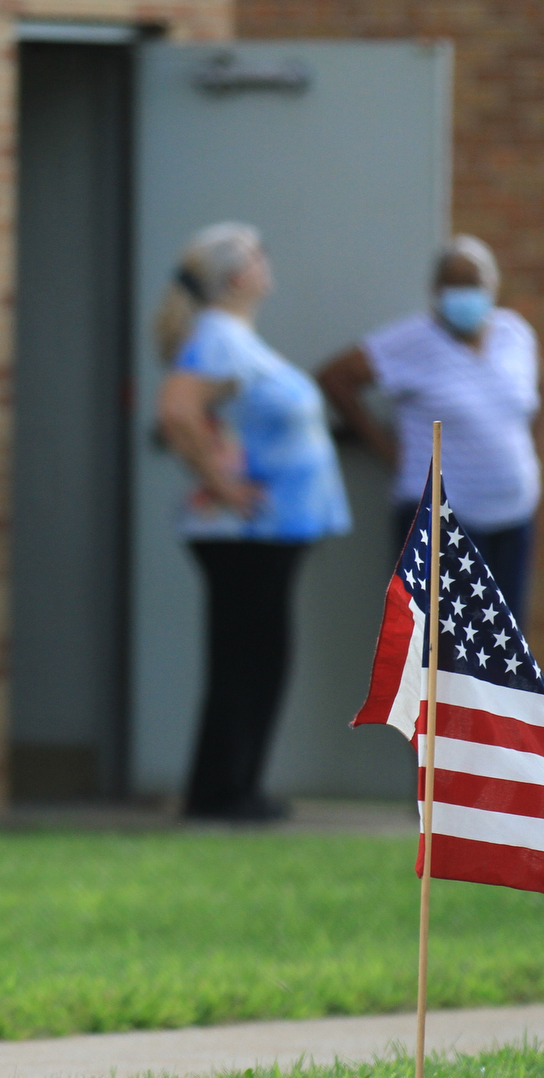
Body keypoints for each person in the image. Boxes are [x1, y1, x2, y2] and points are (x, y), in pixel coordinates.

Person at [154, 222, 352, 822]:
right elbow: (175, 411)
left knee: (257, 658)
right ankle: (221, 793)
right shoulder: (218, 339)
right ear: (237, 275)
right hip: (247, 533)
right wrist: (221, 485)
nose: (267, 265)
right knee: (246, 659)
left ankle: (236, 787)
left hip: (269, 533)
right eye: (257, 256)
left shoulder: (234, 338)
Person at [317, 236, 542, 625]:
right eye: (453, 283)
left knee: (504, 647)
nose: (464, 294)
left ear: (492, 287)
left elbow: (538, 394)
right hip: (441, 528)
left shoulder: (515, 334)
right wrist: (387, 451)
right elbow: (335, 378)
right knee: (444, 654)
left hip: (513, 516)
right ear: (435, 290)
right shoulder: (410, 341)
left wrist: (531, 455)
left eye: (473, 283)